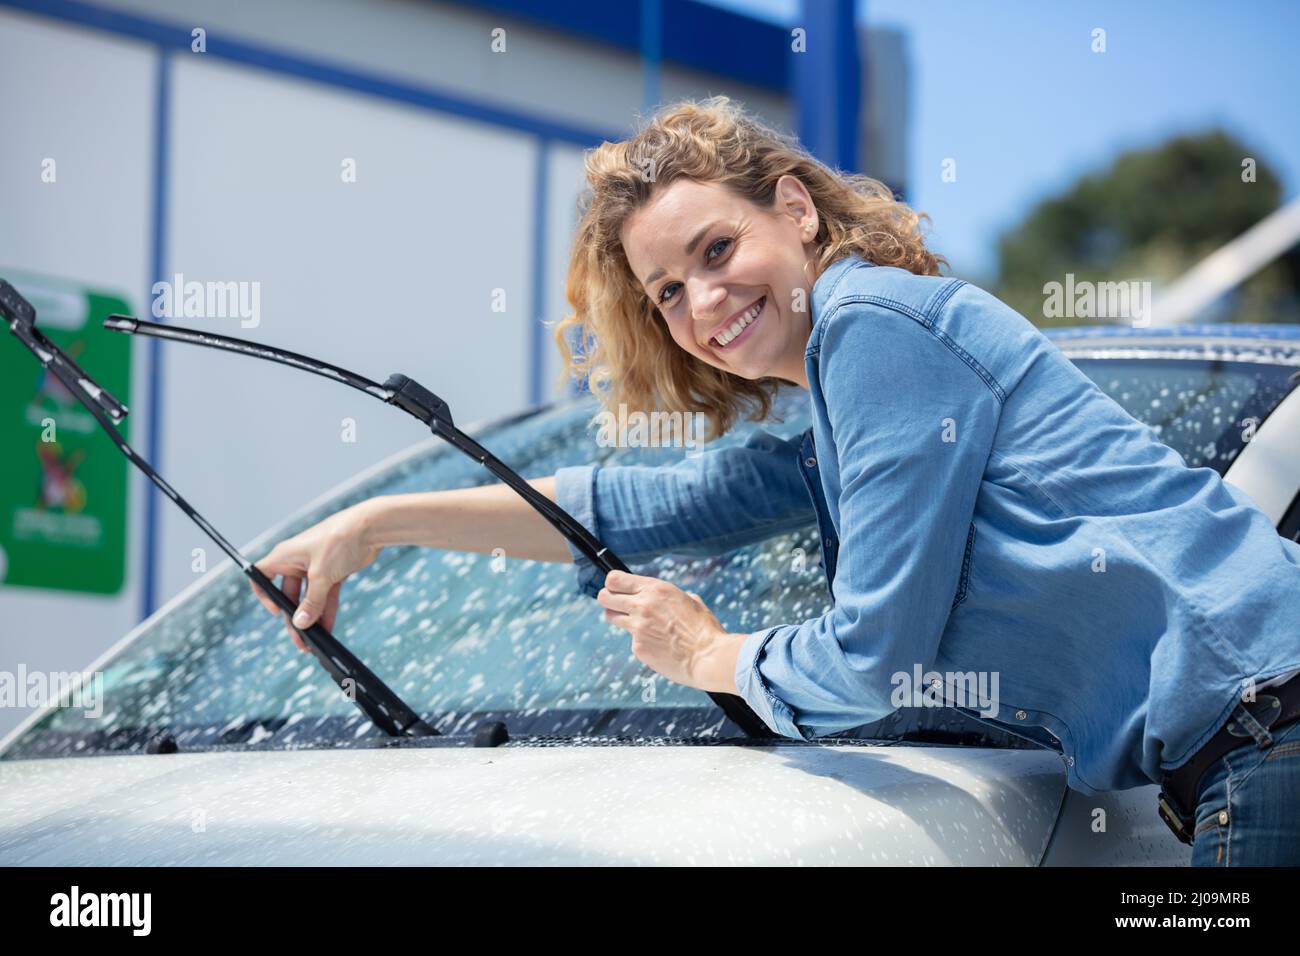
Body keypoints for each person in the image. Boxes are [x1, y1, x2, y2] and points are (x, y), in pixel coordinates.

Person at [250, 96, 1300, 866]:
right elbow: (636, 504)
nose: (704, 299)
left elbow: (877, 654)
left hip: (1270, 732)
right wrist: (377, 524)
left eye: (718, 247)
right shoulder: (849, 396)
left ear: (794, 209)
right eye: (668, 289)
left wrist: (711, 651)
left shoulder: (874, 328)